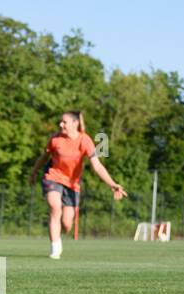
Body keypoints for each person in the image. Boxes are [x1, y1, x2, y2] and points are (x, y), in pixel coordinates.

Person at [28, 111, 126, 259]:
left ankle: (58, 233)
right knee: (55, 207)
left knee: (67, 224)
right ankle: (55, 247)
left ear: (75, 123)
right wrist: (33, 172)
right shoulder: (55, 139)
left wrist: (112, 184)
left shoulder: (85, 141)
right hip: (53, 177)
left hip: (72, 184)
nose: (61, 124)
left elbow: (97, 166)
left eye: (64, 122)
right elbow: (43, 158)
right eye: (60, 122)